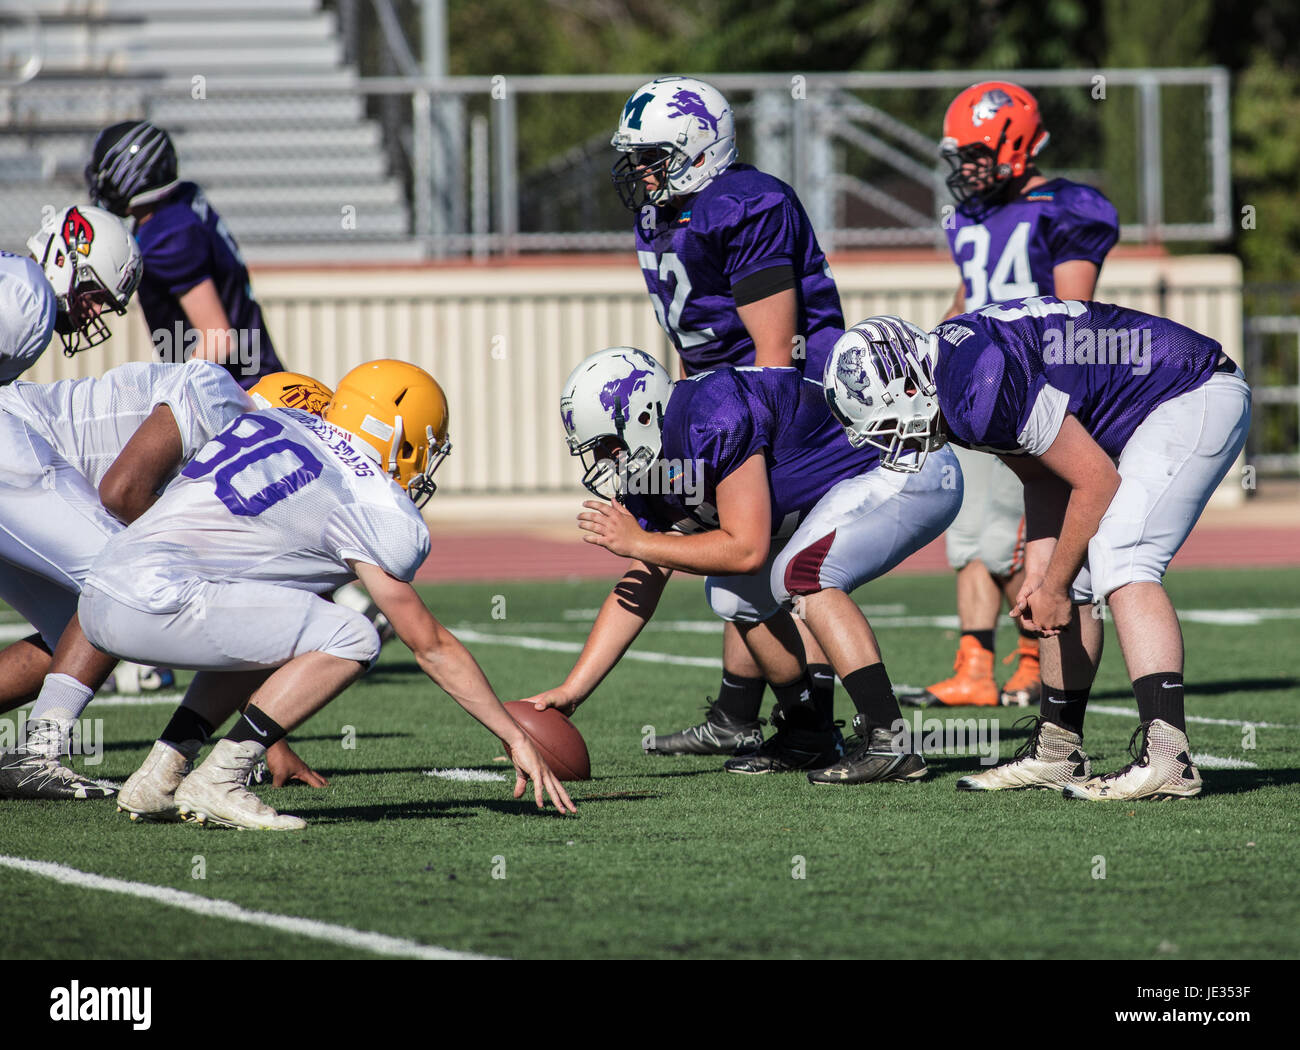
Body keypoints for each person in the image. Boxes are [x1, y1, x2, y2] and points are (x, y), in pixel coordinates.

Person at [78, 360, 574, 829]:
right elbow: (429, 645)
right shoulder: (364, 494)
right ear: (400, 439)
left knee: (272, 614)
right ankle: (221, 778)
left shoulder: (286, 422)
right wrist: (513, 735)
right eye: (426, 446)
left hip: (100, 592)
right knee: (354, 635)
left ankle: (160, 775)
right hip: (154, 599)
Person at [825, 298, 1250, 799]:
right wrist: (1041, 570)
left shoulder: (977, 383)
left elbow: (1095, 482)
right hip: (1142, 408)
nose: (897, 439)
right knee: (1075, 573)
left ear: (910, 388)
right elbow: (1046, 475)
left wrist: (1054, 585)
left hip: (1192, 390)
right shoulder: (952, 378)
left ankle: (1167, 757)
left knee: (1124, 554)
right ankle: (1057, 751)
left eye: (890, 422)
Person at [527, 344, 960, 784]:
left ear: (641, 416)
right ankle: (809, 732)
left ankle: (891, 740)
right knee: (734, 593)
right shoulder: (654, 461)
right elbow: (642, 580)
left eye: (606, 446)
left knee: (801, 574)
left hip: (905, 465)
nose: (606, 461)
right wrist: (574, 690)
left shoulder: (711, 414)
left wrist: (641, 541)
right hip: (845, 489)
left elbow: (746, 549)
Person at [611, 75, 845, 755]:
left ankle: (818, 725)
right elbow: (697, 338)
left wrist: (738, 431)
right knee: (741, 567)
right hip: (726, 397)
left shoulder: (747, 203)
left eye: (654, 154)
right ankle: (738, 716)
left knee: (772, 559)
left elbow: (774, 353)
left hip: (788, 398)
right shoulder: (665, 212)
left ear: (698, 146)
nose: (641, 171)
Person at [924, 81, 1118, 709]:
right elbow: (967, 296)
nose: (967, 168)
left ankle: (1034, 657)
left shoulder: (1065, 207)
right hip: (972, 388)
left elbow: (1074, 313)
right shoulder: (976, 216)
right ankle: (975, 666)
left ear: (1012, 143)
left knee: (1004, 538)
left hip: (1024, 392)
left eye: (977, 153)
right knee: (967, 537)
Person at [0, 359, 251, 799]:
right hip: (9, 450)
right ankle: (36, 755)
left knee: (77, 636)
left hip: (18, 470)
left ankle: (34, 755)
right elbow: (122, 491)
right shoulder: (219, 394)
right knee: (121, 584)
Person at [84, 121, 285, 388]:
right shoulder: (182, 201)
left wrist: (166, 386)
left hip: (240, 391)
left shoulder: (169, 234)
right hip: (256, 379)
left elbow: (218, 340)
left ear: (131, 174)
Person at [3, 204, 141, 383]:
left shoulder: (20, 285)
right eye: (96, 297)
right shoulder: (31, 300)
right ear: (60, 259)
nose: (97, 311)